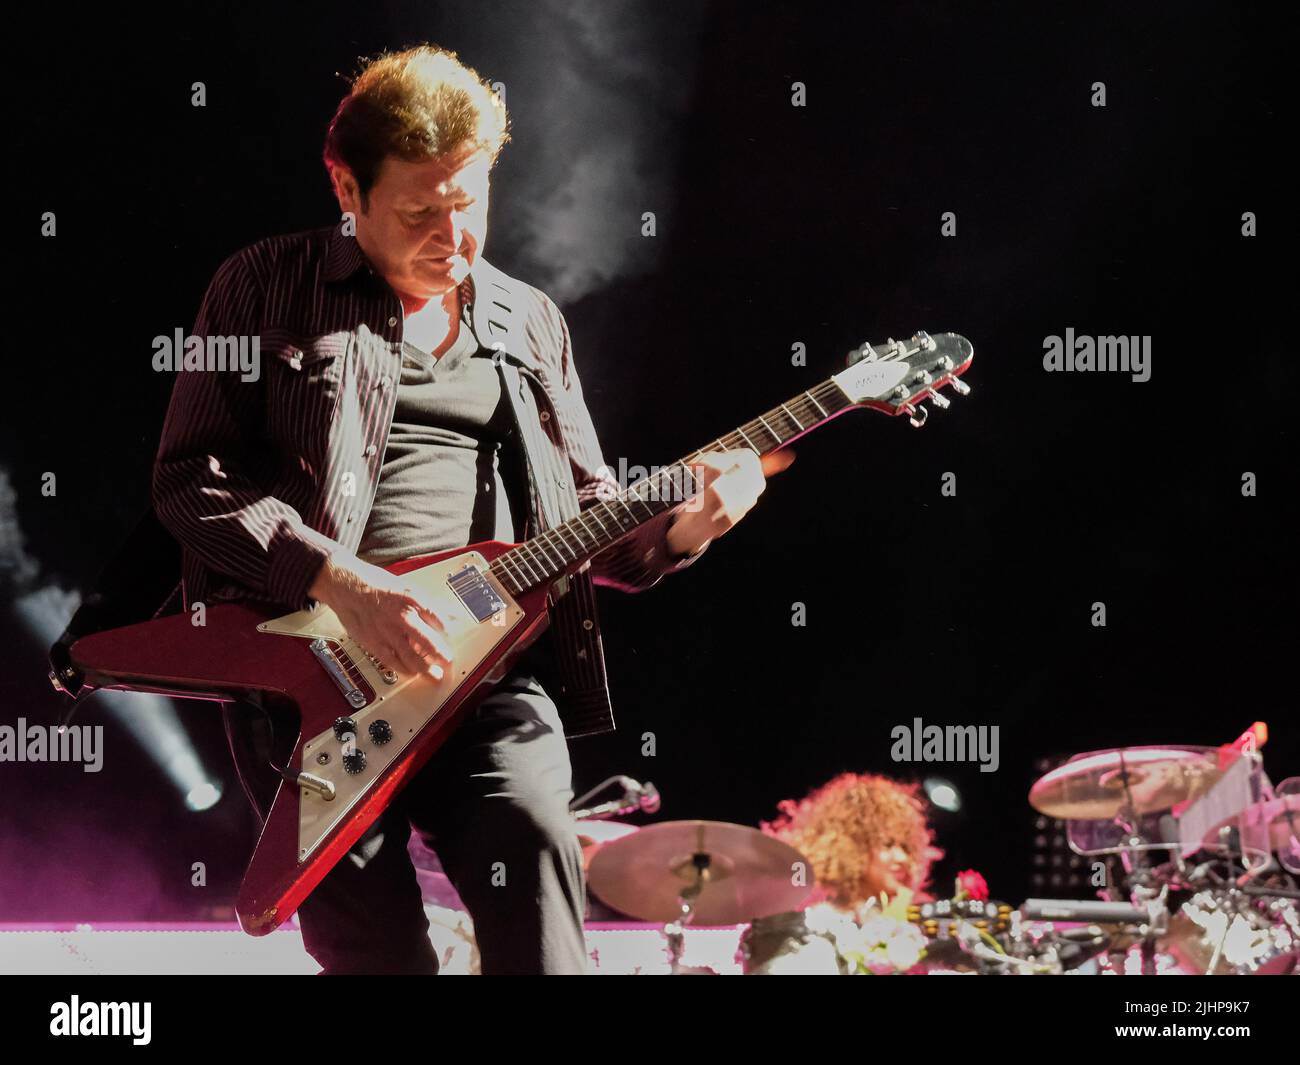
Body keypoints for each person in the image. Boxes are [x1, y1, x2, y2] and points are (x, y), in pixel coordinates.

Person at [151, 44, 776, 974]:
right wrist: (344, 581)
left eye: (470, 203)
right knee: (371, 945)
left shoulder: (528, 320)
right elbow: (188, 480)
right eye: (419, 212)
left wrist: (689, 524)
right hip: (308, 675)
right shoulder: (261, 285)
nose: (454, 236)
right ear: (346, 188)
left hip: (490, 679)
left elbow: (590, 513)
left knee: (534, 856)